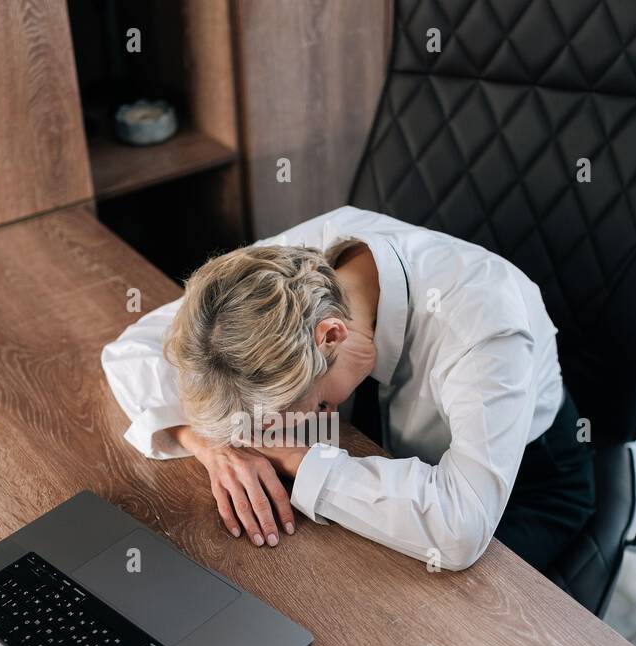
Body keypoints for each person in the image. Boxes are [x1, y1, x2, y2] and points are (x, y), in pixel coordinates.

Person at [102, 206, 594, 574]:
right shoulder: (292, 270)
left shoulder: (487, 326)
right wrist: (210, 445)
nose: (279, 431)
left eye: (299, 410)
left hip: (527, 482)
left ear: (331, 335)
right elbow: (132, 349)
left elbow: (460, 527)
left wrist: (295, 457)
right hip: (388, 435)